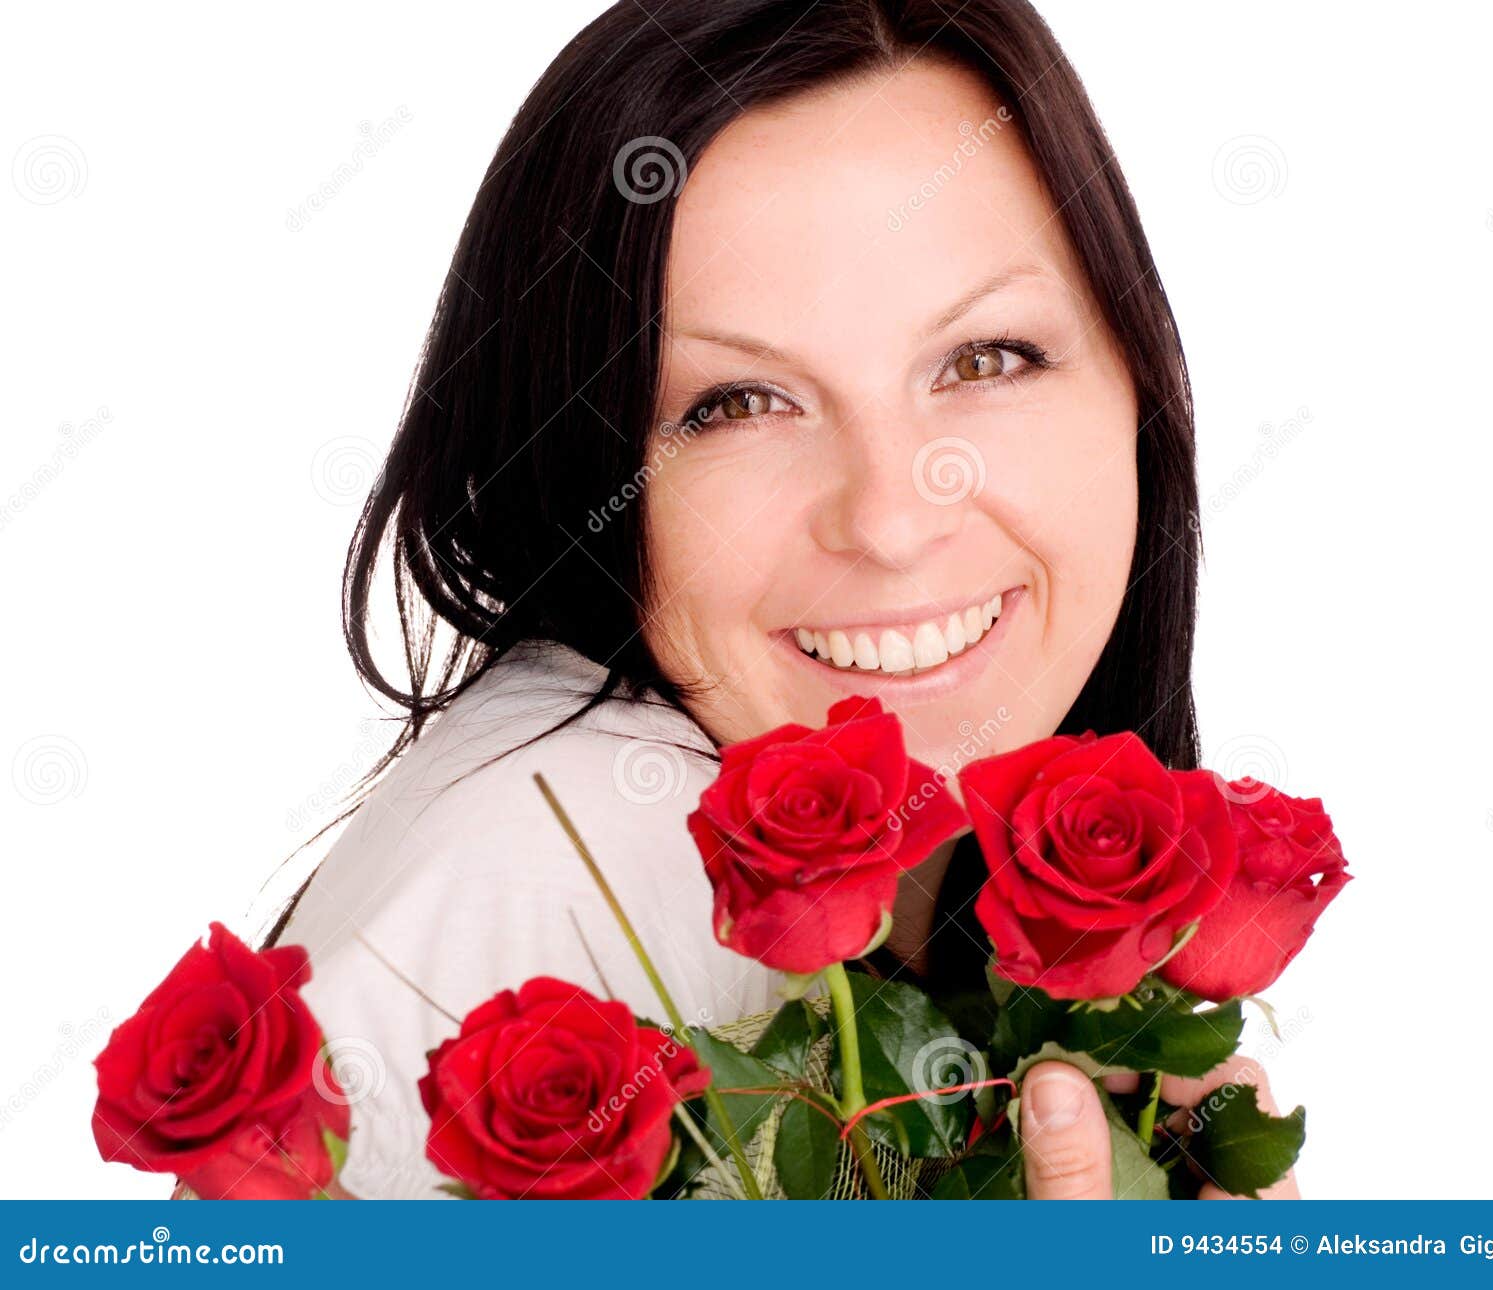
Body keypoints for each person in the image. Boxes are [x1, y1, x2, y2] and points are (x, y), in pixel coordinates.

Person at [271, 0, 1295, 1199]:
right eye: (737, 404)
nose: (893, 520)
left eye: (983, 360)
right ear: (583, 471)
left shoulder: (946, 965)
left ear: (1138, 380)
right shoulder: (581, 856)